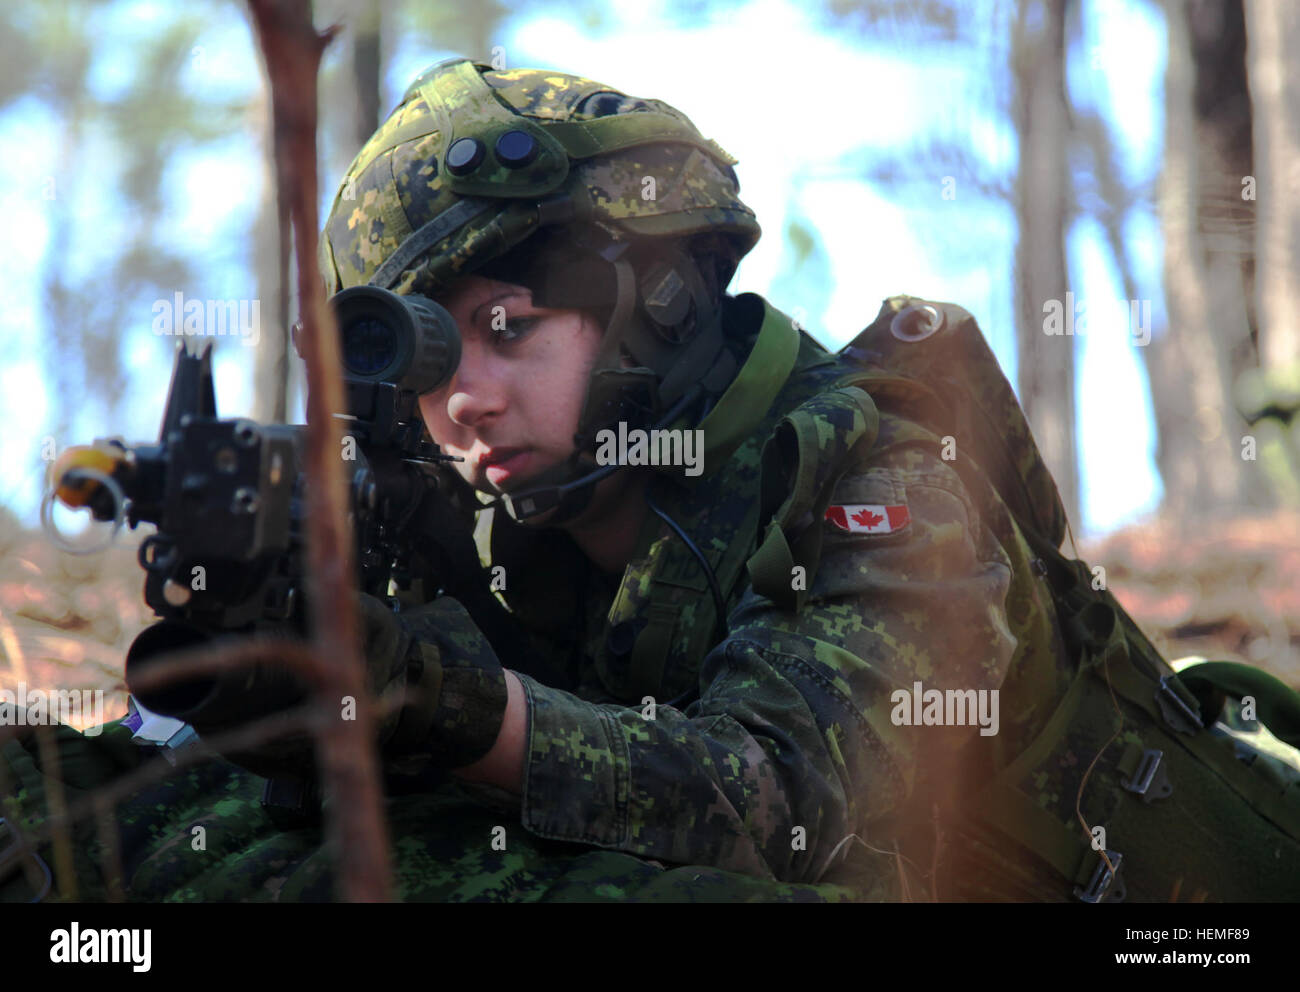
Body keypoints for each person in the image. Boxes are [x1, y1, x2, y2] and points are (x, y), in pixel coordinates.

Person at [15, 57, 1294, 904]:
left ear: (656, 300)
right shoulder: (505, 521)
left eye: (507, 327)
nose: (464, 396)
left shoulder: (884, 464)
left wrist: (442, 701)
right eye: (425, 361)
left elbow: (798, 804)